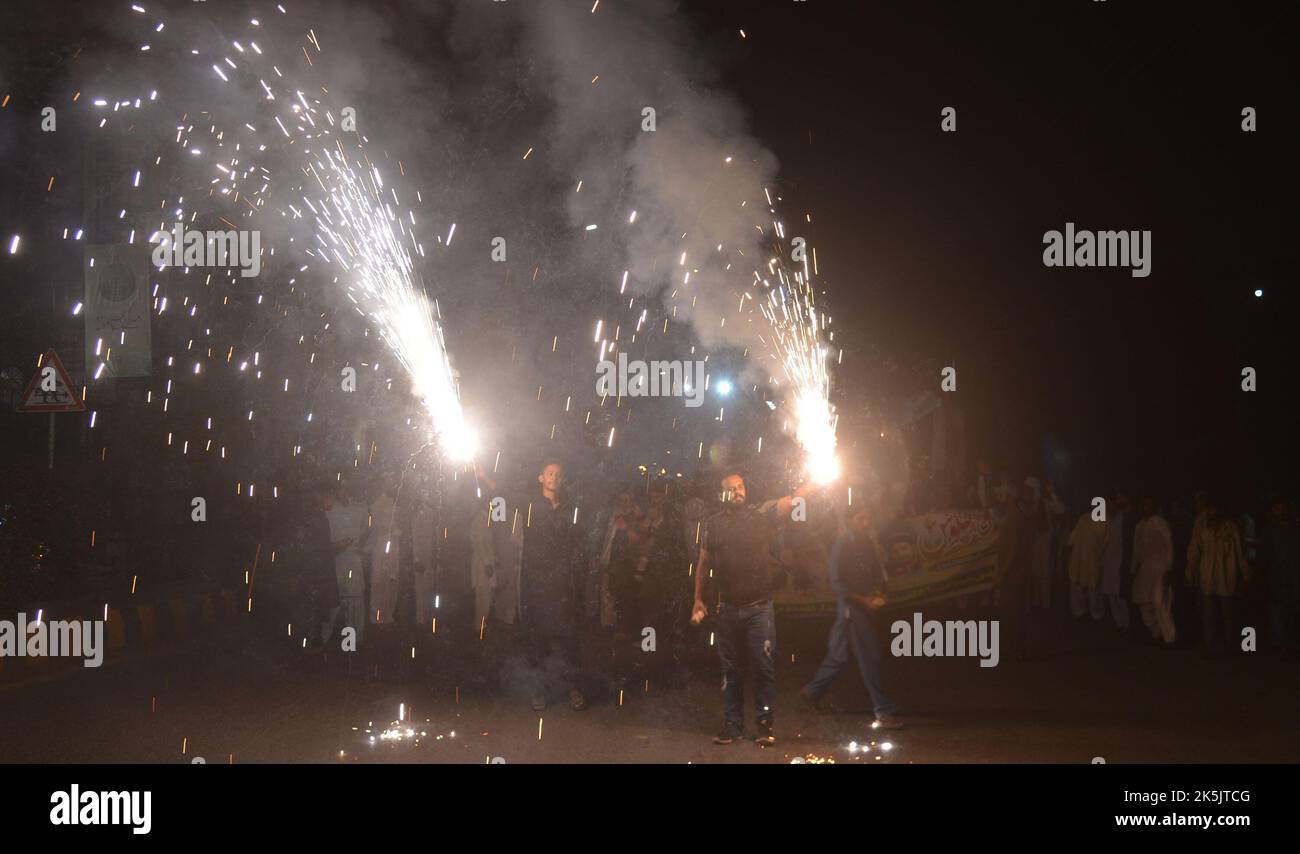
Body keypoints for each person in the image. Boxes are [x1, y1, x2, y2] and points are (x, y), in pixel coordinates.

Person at [691, 471, 812, 746]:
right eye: (731, 489)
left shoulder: (760, 515)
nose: (738, 492)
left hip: (760, 608)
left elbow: (792, 500)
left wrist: (813, 484)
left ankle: (764, 726)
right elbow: (703, 564)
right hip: (727, 609)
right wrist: (698, 599)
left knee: (763, 668)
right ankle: (732, 726)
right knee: (730, 670)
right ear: (720, 494)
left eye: (741, 486)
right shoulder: (712, 525)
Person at [800, 503, 903, 729]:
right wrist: (863, 600)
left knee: (838, 656)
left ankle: (811, 692)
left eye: (868, 518)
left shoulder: (867, 543)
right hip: (851, 610)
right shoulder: (842, 544)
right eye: (860, 519)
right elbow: (836, 583)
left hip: (861, 607)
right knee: (869, 656)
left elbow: (877, 573)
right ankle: (883, 711)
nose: (866, 523)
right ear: (849, 520)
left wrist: (881, 592)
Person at [519, 459, 587, 711]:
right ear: (541, 477)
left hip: (563, 583)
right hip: (537, 582)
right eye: (549, 473)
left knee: (569, 639)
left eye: (558, 474)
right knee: (538, 638)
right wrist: (483, 477)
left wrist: (576, 576)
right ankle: (540, 690)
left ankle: (573, 688)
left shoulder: (570, 507)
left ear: (563, 479)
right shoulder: (530, 505)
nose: (553, 478)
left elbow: (578, 541)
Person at [1187, 497, 1250, 657]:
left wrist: (1246, 575)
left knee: (1228, 615)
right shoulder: (1201, 528)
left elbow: (1240, 553)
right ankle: (1210, 647)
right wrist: (1190, 573)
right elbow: (1193, 553)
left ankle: (1230, 646)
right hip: (1207, 578)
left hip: (1227, 577)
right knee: (1208, 616)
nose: (1211, 512)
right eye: (1209, 509)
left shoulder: (1231, 528)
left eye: (1214, 509)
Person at [468, 466, 521, 636]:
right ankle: (479, 629)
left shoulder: (489, 519)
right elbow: (480, 545)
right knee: (482, 599)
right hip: (483, 566)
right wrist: (488, 564)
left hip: (489, 565)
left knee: (487, 598)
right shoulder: (480, 520)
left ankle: (483, 628)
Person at [323, 481, 368, 646]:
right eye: (340, 488)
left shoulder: (360, 508)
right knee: (333, 603)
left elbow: (368, 530)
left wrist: (363, 547)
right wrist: (336, 546)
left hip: (354, 562)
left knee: (354, 602)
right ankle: (324, 638)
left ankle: (352, 641)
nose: (343, 491)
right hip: (335, 562)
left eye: (346, 487)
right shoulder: (330, 509)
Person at [997, 482, 1039, 659]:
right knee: (1017, 611)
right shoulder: (1019, 517)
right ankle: (1017, 648)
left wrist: (1002, 573)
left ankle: (1015, 649)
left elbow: (1013, 549)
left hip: (1014, 573)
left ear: (1012, 499)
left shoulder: (1014, 518)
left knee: (1013, 612)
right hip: (1019, 571)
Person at [1131, 496, 1176, 645]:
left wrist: (1169, 568)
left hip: (1161, 568)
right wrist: (1133, 569)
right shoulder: (1139, 526)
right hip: (1145, 569)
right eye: (1144, 504)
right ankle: (1157, 633)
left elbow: (1169, 545)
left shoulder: (1161, 523)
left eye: (1149, 505)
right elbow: (1137, 551)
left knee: (1160, 602)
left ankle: (1170, 638)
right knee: (1144, 602)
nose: (1146, 507)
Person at [1067, 505, 1109, 621]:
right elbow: (1073, 538)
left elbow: (1106, 543)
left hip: (1093, 561)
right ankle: (1079, 613)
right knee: (1078, 587)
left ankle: (1095, 614)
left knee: (1093, 589)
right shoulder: (1084, 518)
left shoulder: (1105, 521)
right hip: (1079, 560)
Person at [1099, 493, 1130, 630]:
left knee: (1119, 595)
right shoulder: (1107, 520)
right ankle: (1119, 624)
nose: (1108, 507)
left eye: (1110, 504)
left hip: (1118, 562)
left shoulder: (1122, 519)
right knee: (1111, 595)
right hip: (1109, 562)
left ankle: (1126, 624)